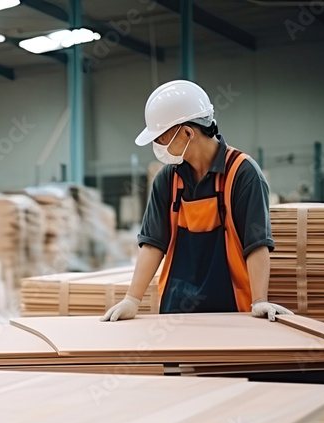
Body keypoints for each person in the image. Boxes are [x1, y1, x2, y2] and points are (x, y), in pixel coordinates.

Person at [101, 79, 293, 322]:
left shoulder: (242, 174)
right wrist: (132, 299)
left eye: (161, 138)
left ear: (188, 132)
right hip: (174, 316)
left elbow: (256, 244)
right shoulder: (167, 179)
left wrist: (259, 301)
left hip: (233, 315)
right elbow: (153, 244)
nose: (157, 145)